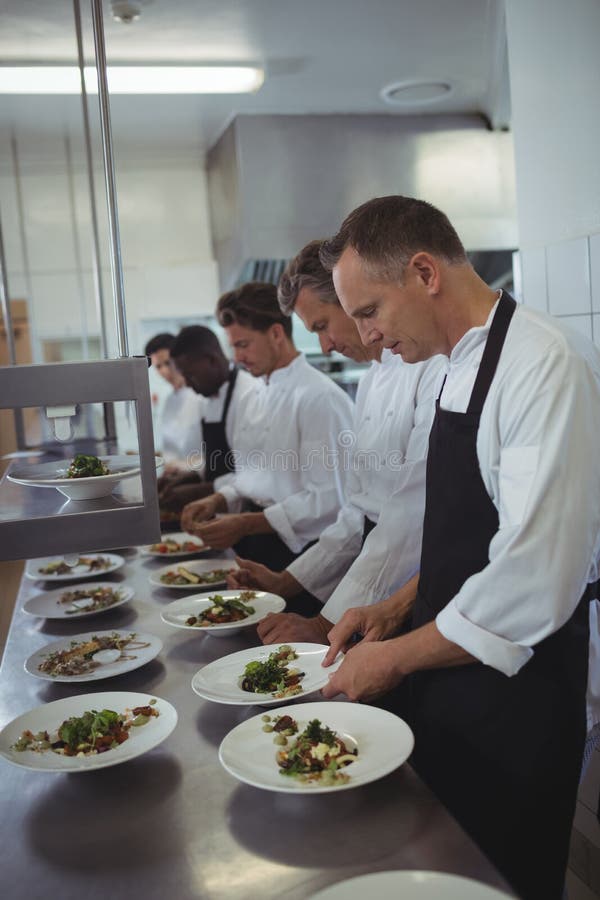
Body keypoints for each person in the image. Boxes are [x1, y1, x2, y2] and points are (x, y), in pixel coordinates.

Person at [317, 195, 600, 900]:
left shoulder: (542, 364)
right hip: (447, 679)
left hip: (518, 700)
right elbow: (472, 532)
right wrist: (396, 606)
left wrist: (395, 656)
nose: (366, 338)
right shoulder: (454, 364)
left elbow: (535, 574)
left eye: (368, 312)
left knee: (502, 881)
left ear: (423, 272)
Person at [227, 240, 444, 645]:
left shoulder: (429, 368)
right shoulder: (370, 383)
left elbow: (408, 519)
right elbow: (357, 513)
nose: (325, 346)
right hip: (375, 580)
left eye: (323, 326)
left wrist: (325, 624)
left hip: (418, 586)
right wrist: (287, 582)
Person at [180, 281, 354, 601]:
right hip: (255, 543)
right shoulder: (256, 393)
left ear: (276, 333)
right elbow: (254, 475)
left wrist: (246, 522)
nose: (237, 357)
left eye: (244, 344)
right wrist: (219, 500)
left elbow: (330, 501)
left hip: (301, 556)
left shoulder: (319, 398)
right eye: (233, 347)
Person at [159, 325, 254, 510]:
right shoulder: (206, 397)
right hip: (215, 512)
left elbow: (251, 473)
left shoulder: (248, 395)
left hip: (245, 514)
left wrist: (200, 491)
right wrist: (192, 476)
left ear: (212, 360)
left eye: (190, 375)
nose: (186, 383)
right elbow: (217, 461)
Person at [144, 332, 203, 469]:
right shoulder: (170, 400)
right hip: (173, 473)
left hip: (196, 474)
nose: (164, 371)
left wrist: (181, 466)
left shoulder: (200, 396)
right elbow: (173, 447)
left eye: (167, 363)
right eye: (158, 367)